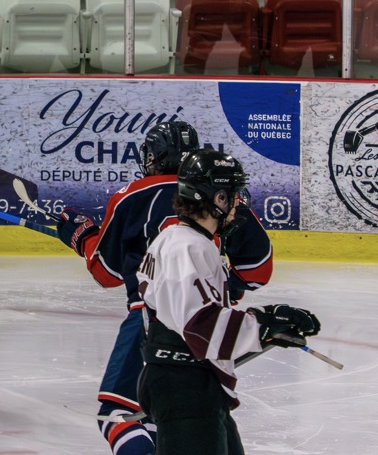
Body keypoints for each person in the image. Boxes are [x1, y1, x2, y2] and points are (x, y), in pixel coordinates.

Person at [53, 122, 273, 455]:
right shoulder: (222, 199)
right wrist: (225, 284)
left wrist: (81, 236)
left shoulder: (132, 196)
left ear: (154, 157)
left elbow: (106, 273)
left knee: (118, 415)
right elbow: (258, 271)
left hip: (153, 323)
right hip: (209, 329)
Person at [135, 149, 321, 455]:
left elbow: (196, 319)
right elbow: (202, 326)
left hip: (190, 383)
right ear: (217, 199)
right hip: (184, 390)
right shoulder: (187, 248)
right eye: (233, 196)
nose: (238, 204)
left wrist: (265, 322)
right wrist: (263, 325)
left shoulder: (179, 240)